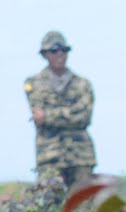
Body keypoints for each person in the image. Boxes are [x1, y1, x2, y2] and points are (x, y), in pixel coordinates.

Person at [24, 30, 96, 189]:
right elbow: (38, 116)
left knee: (84, 206)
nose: (59, 54)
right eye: (54, 50)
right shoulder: (33, 83)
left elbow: (84, 116)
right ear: (44, 54)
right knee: (49, 204)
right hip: (49, 157)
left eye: (64, 50)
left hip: (81, 157)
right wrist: (69, 114)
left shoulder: (83, 84)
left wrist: (49, 116)